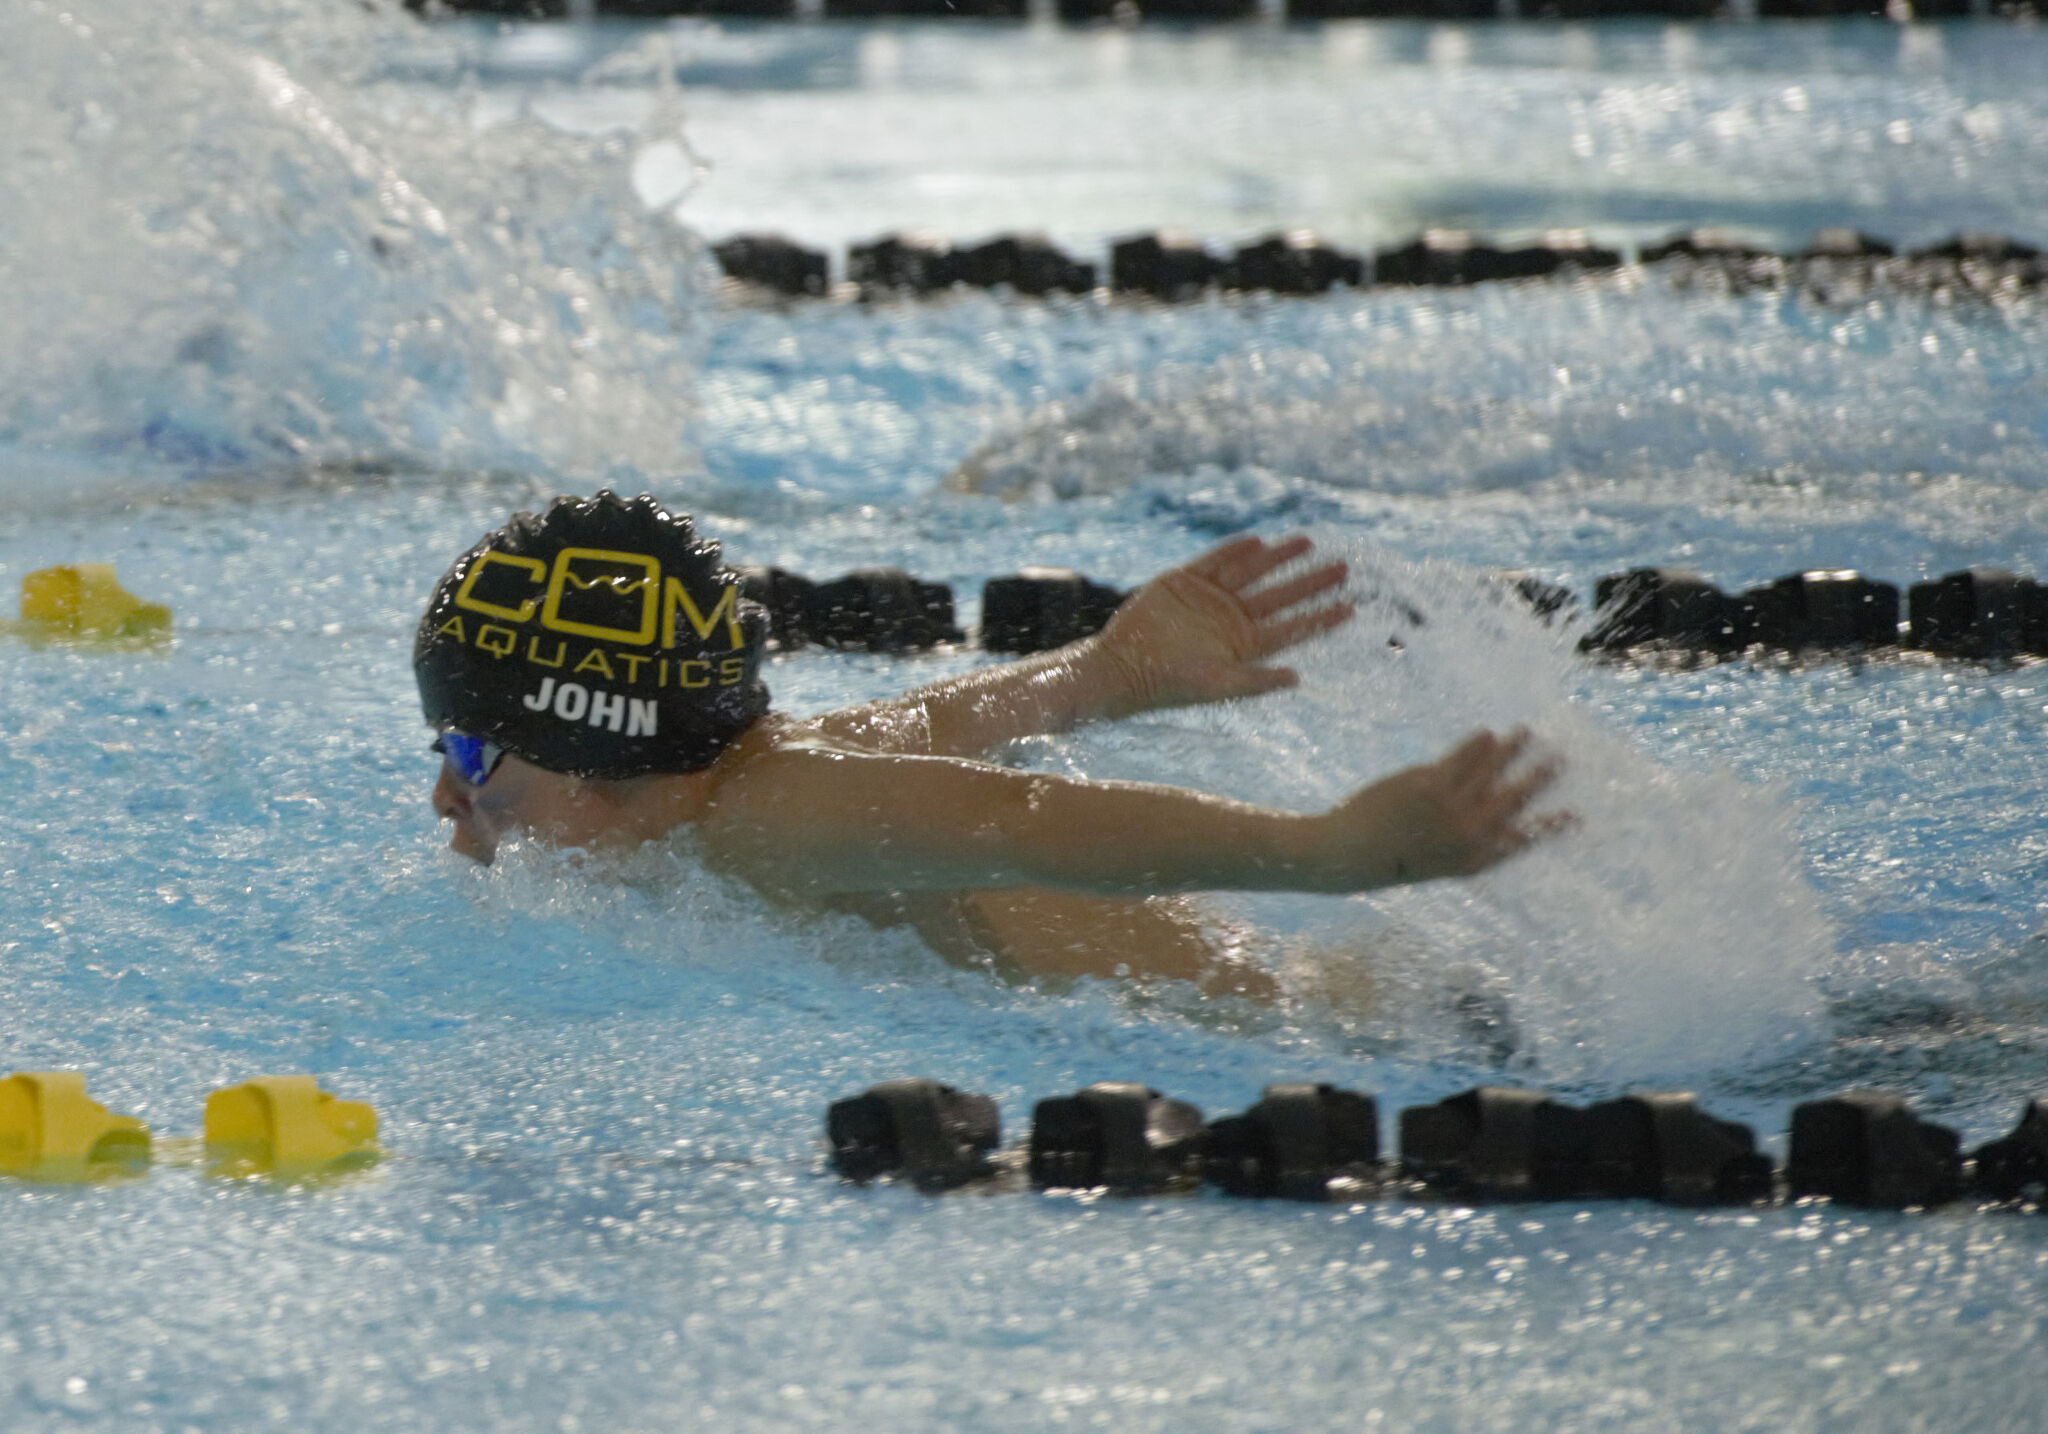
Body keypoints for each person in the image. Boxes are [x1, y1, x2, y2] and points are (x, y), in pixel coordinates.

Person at [418, 492, 1562, 1000]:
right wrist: (1097, 676)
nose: (446, 793)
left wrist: (1330, 852)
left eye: (473, 755)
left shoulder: (760, 824)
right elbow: (935, 725)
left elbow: (1032, 826)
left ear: (599, 753)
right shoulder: (755, 776)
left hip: (1332, 1024)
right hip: (1340, 992)